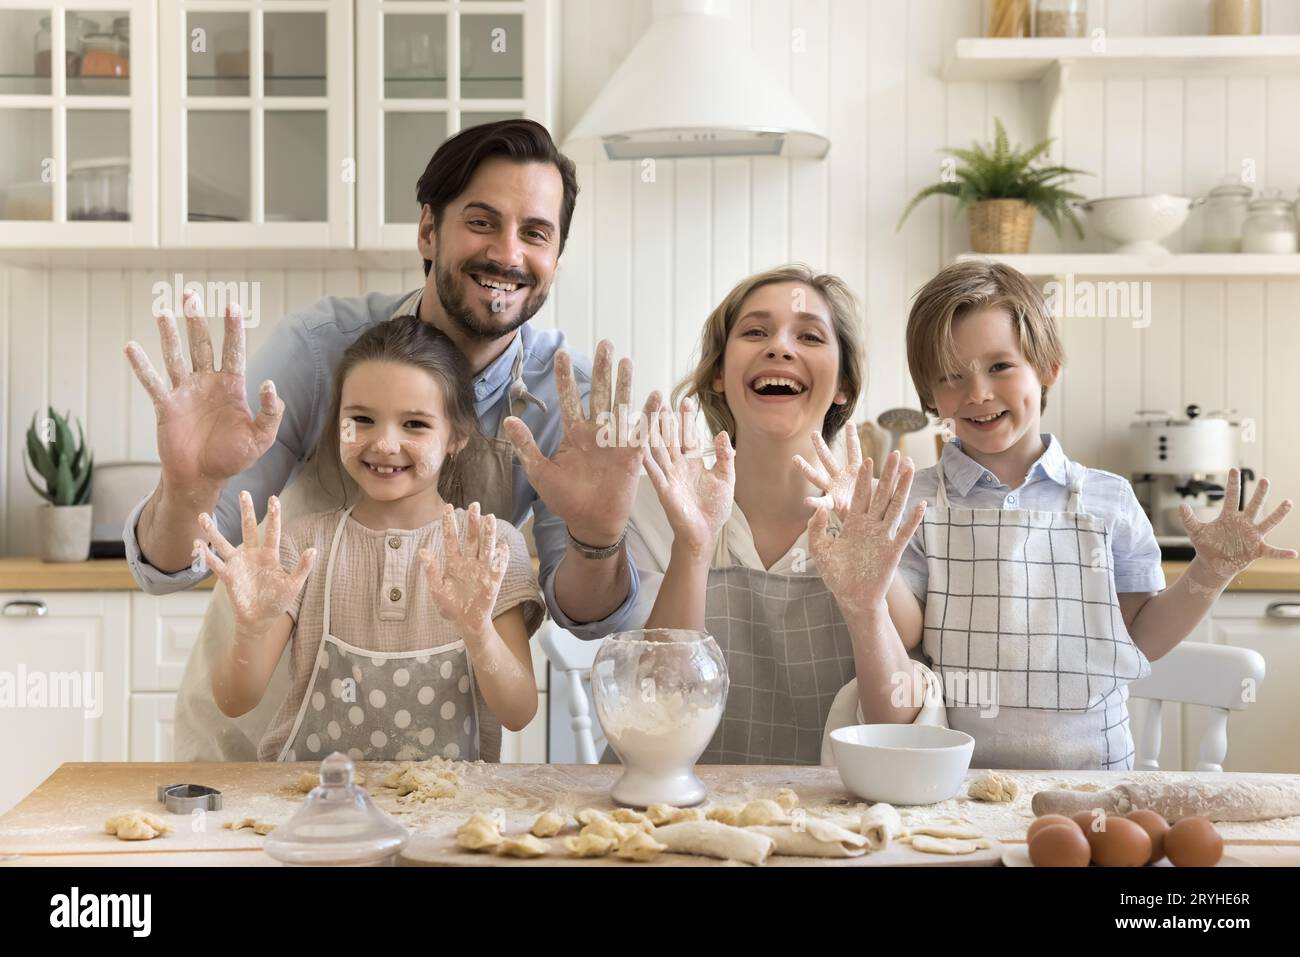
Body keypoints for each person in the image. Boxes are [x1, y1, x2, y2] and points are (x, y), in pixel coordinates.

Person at [123, 119, 656, 759]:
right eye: (482, 222)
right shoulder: (322, 350)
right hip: (263, 743)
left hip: (439, 768)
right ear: (428, 229)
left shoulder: (563, 394)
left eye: (535, 233)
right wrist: (188, 489)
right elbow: (181, 562)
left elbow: (583, 620)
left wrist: (597, 539)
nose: (509, 255)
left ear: (556, 259)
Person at [890, 260, 1297, 769]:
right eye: (952, 375)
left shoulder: (1109, 501)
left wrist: (1209, 572)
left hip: (1096, 780)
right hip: (958, 783)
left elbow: (1141, 638)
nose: (977, 393)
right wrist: (870, 558)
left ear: (1047, 369)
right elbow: (906, 636)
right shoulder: (915, 503)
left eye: (1000, 366)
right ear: (930, 395)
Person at [619, 264, 945, 766]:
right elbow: (657, 708)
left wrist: (864, 602)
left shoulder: (881, 511)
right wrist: (694, 546)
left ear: (843, 385)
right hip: (672, 815)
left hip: (838, 821)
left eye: (809, 336)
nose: (780, 347)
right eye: (755, 331)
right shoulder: (654, 505)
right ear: (719, 374)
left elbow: (894, 734)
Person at [199, 317, 542, 761]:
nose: (384, 444)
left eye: (415, 425)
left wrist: (477, 633)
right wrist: (250, 632)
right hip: (308, 807)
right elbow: (235, 701)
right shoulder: (301, 547)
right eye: (361, 419)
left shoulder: (492, 548)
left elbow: (519, 712)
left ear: (457, 436)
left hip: (446, 810)